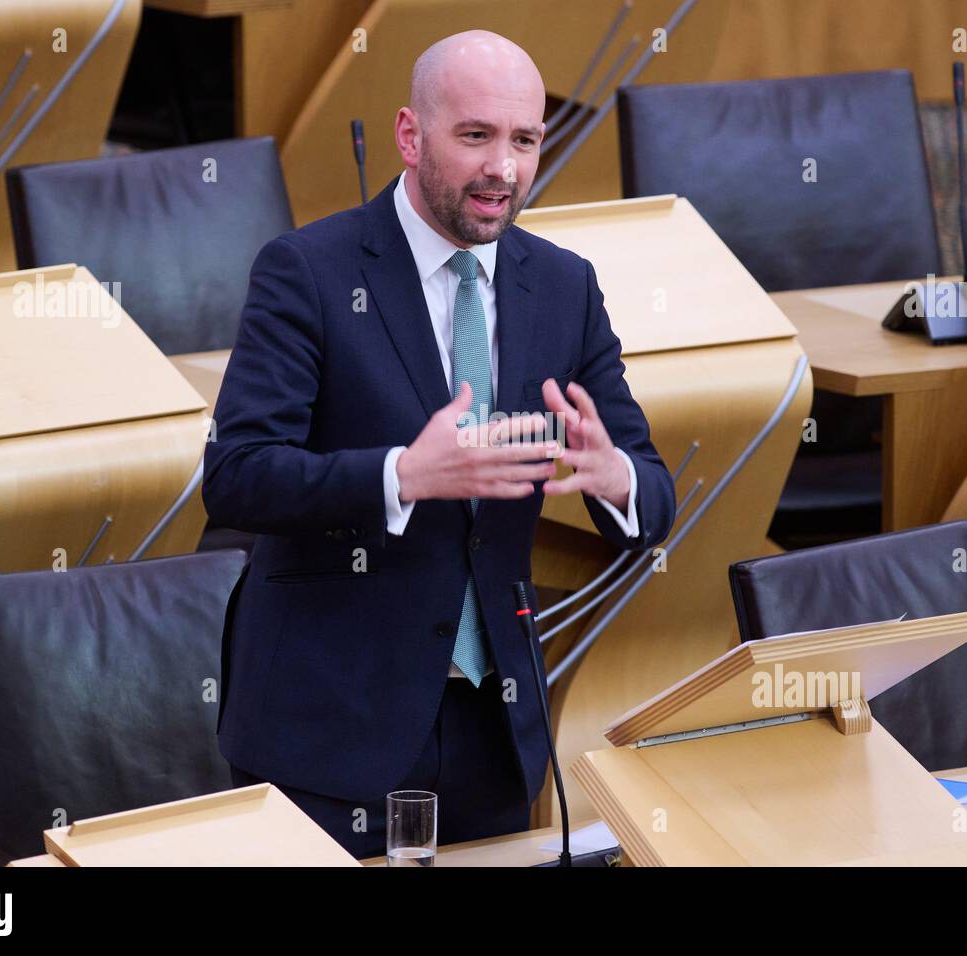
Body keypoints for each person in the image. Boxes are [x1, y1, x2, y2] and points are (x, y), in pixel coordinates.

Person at [203, 30, 676, 859]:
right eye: (476, 137)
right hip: (328, 727)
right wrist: (403, 476)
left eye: (525, 141)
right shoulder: (306, 272)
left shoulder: (563, 286)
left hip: (491, 734)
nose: (504, 168)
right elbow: (239, 478)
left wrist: (615, 479)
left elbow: (654, 496)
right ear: (410, 136)